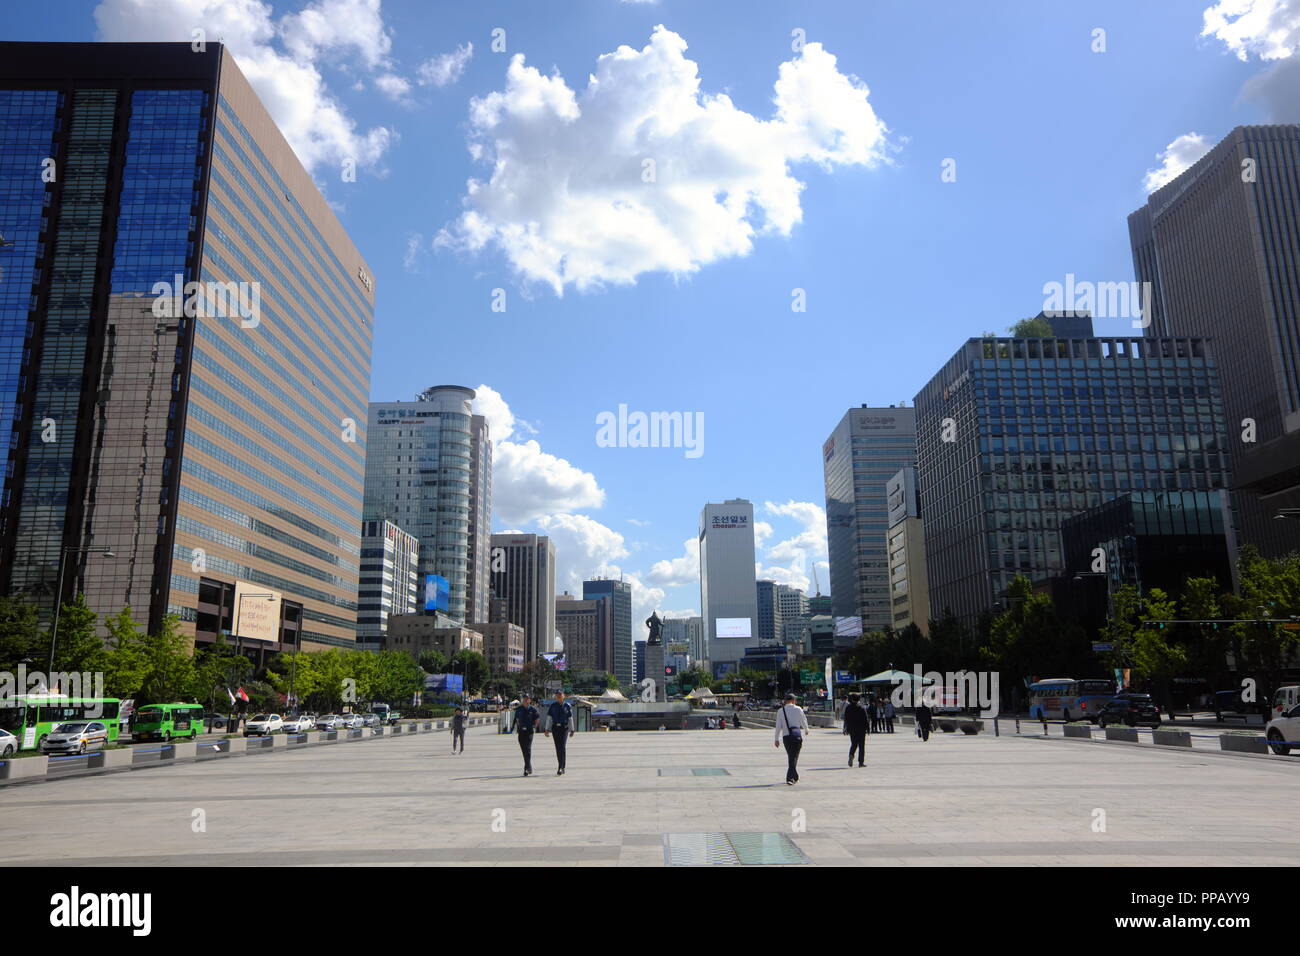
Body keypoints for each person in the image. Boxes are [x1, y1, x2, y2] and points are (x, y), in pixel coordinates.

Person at [774, 693, 810, 785]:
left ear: (786, 701)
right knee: (794, 756)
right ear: (794, 700)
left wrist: (776, 739)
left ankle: (794, 776)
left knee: (791, 756)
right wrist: (806, 729)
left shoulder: (781, 711)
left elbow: (778, 726)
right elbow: (803, 720)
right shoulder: (798, 709)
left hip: (786, 737)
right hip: (796, 736)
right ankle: (791, 778)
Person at [544, 690, 575, 775]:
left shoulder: (567, 706)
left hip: (564, 728)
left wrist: (572, 730)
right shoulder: (553, 706)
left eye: (560, 695)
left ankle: (561, 767)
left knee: (562, 746)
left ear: (563, 696)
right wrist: (547, 729)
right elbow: (549, 718)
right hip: (555, 728)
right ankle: (561, 766)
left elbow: (570, 718)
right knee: (558, 748)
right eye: (557, 695)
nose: (559, 696)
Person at [513, 695, 540, 776]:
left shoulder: (533, 709)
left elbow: (537, 719)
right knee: (524, 750)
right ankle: (529, 767)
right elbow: (517, 719)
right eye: (524, 699)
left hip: (529, 731)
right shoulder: (519, 709)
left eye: (527, 699)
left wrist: (534, 727)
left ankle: (527, 768)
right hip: (521, 731)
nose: (525, 700)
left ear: (530, 700)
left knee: (527, 748)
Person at [842, 692, 868, 767]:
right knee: (861, 746)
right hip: (861, 729)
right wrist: (868, 728)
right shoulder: (861, 708)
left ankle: (851, 754)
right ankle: (861, 762)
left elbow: (846, 719)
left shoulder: (848, 708)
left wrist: (845, 728)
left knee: (854, 744)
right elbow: (865, 719)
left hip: (852, 729)